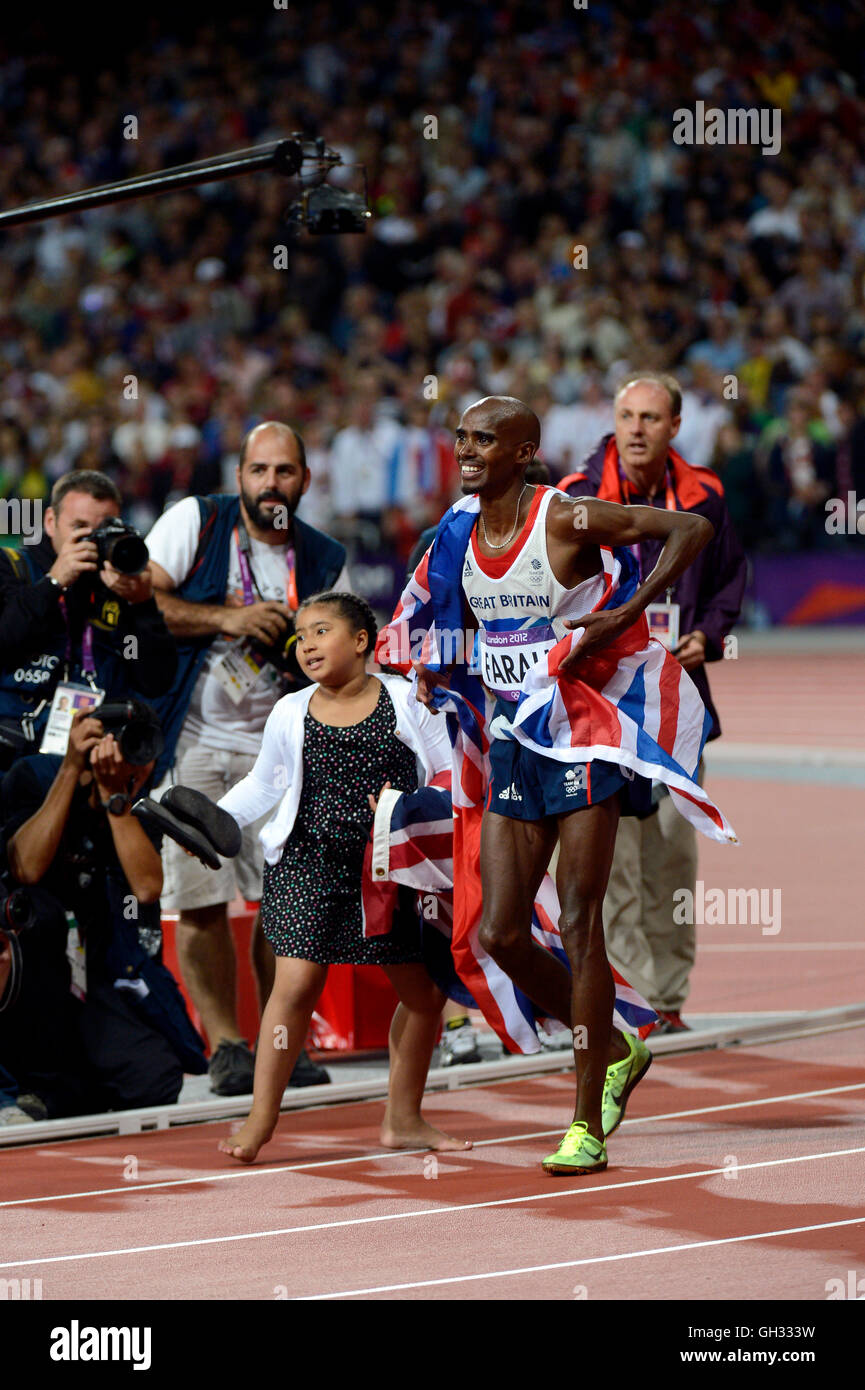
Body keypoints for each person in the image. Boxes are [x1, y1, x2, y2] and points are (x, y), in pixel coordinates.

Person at [409, 395, 731, 1175]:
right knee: (500, 933)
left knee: (582, 920)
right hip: (515, 739)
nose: (468, 450)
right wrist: (432, 666)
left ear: (523, 452)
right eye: (462, 438)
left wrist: (626, 609)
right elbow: (441, 610)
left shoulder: (565, 518)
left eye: (486, 440)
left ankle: (584, 1118)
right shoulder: (457, 529)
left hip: (582, 734)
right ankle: (619, 1043)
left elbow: (691, 530)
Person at [213, 591, 469, 1162]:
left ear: (361, 642)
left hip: (390, 869)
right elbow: (264, 785)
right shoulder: (290, 709)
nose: (306, 645)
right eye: (300, 635)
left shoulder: (409, 701)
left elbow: (452, 772)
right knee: (297, 985)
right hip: (307, 862)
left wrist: (415, 805)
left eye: (320, 631)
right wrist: (211, 821)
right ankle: (260, 1119)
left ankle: (402, 1118)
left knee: (424, 995)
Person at [145, 421, 350, 1096]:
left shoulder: (322, 559)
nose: (271, 485)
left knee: (281, 906)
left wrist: (307, 637)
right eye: (259, 471)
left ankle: (277, 1040)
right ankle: (227, 1046)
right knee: (201, 900)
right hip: (197, 741)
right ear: (238, 476)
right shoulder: (195, 523)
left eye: (284, 472)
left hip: (281, 755)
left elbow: (349, 656)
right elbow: (140, 602)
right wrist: (225, 619)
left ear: (304, 481)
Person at [559, 373, 747, 1032]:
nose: (635, 428)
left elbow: (729, 579)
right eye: (625, 415)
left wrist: (711, 635)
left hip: (679, 704)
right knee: (610, 864)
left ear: (673, 427)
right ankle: (629, 999)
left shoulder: (705, 496)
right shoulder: (576, 499)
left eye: (649, 418)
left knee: (670, 858)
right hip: (602, 705)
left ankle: (666, 998)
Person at [0, 710, 206, 1118]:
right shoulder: (37, 775)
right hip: (31, 968)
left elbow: (146, 889)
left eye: (147, 751)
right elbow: (26, 867)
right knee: (43, 918)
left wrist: (117, 801)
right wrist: (72, 769)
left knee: (155, 1081)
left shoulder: (132, 804)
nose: (139, 763)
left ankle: (68, 1087)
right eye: (130, 746)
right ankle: (33, 1081)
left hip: (93, 971)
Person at [0, 471, 177, 756]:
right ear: (50, 522)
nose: (91, 542)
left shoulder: (119, 587)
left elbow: (153, 680)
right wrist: (54, 582)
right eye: (80, 527)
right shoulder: (13, 567)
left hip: (94, 754)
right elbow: (6, 639)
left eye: (103, 530)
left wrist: (142, 606)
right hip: (16, 747)